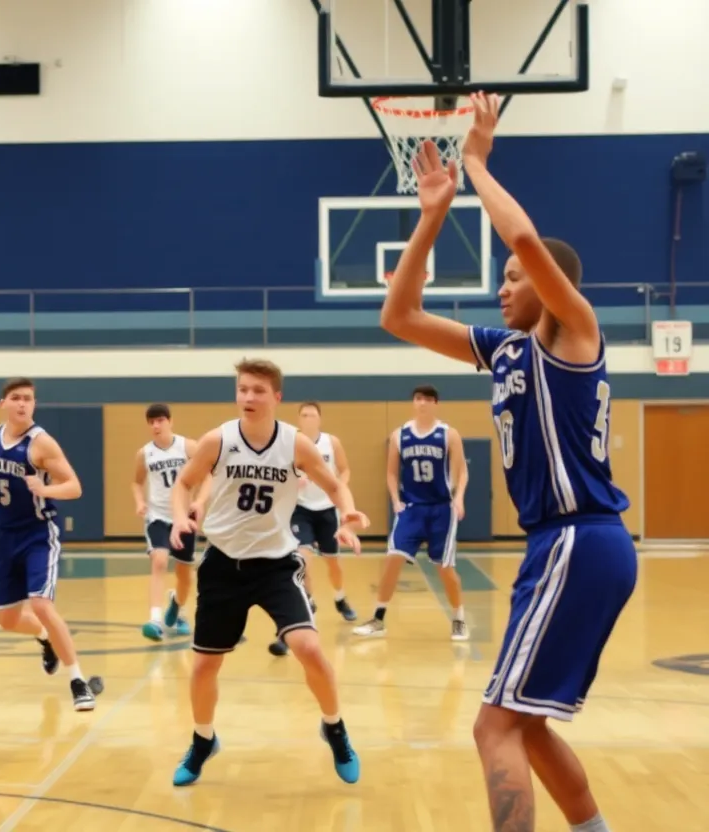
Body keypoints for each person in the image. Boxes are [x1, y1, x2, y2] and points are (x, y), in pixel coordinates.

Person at [379, 93, 634, 832]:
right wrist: (430, 217)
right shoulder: (506, 348)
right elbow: (400, 317)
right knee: (525, 725)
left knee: (492, 727)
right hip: (562, 546)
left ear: (550, 286)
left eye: (515, 280)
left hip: (579, 539)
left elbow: (523, 239)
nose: (503, 286)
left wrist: (479, 164)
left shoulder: (575, 331)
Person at [167, 359, 368, 788]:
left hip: (276, 564)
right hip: (222, 564)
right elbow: (183, 484)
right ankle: (203, 741)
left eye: (258, 390)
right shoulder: (218, 440)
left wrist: (347, 516)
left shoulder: (295, 444)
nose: (248, 397)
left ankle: (334, 728)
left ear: (276, 397)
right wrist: (179, 518)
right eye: (242, 389)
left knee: (309, 649)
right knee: (203, 667)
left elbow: (334, 487)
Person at [0, 377, 98, 711]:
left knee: (41, 603)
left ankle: (77, 681)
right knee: (8, 620)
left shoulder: (41, 444)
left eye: (28, 398)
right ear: (4, 404)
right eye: (16, 397)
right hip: (5, 534)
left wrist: (46, 490)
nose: (23, 403)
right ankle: (46, 639)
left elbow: (74, 486)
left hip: (39, 533)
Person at [353, 385, 469, 641]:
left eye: (428, 399)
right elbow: (392, 473)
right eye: (418, 399)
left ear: (436, 404)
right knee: (392, 558)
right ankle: (378, 618)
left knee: (445, 569)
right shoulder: (399, 435)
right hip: (412, 508)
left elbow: (461, 472)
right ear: (413, 403)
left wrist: (458, 499)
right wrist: (395, 500)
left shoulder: (449, 434)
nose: (423, 403)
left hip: (441, 508)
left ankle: (459, 618)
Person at [269, 401, 355, 656]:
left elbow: (345, 469)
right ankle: (307, 602)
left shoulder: (331, 442)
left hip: (327, 509)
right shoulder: (291, 443)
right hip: (301, 509)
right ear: (299, 419)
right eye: (304, 415)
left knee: (333, 564)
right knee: (302, 560)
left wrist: (339, 484)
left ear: (319, 419)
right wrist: (296, 479)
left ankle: (340, 599)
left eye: (312, 415)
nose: (308, 418)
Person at [131, 403, 208, 641]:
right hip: (158, 517)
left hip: (183, 518)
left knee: (185, 575)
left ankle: (177, 607)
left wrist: (201, 502)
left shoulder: (189, 447)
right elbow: (136, 482)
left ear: (170, 421)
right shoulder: (144, 453)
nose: (156, 425)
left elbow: (209, 475)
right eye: (152, 422)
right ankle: (154, 619)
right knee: (159, 560)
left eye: (160, 420)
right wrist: (139, 501)